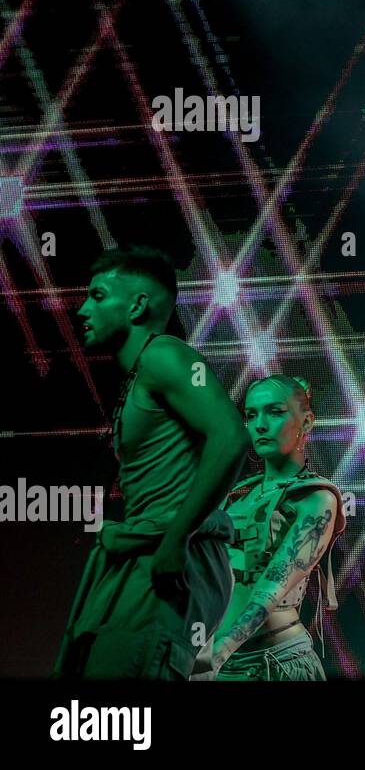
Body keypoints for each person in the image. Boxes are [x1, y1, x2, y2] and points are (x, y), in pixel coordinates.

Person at [55, 245, 248, 679]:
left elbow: (231, 435)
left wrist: (175, 540)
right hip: (144, 559)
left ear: (138, 305)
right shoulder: (142, 372)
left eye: (98, 295)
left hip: (166, 563)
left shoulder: (166, 355)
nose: (83, 309)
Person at [195, 374, 346, 680]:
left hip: (275, 664)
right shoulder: (238, 496)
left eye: (275, 412)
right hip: (220, 662)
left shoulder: (317, 499)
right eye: (251, 415)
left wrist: (215, 657)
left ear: (306, 422)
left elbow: (271, 590)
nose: (259, 424)